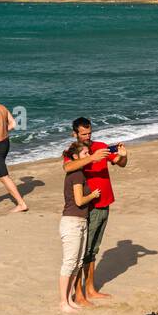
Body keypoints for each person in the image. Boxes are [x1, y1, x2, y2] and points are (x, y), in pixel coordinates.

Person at [62, 118, 128, 304]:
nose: (87, 137)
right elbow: (67, 167)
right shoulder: (73, 152)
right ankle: (79, 293)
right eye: (83, 134)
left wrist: (123, 155)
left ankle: (90, 289)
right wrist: (92, 157)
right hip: (86, 207)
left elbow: (120, 163)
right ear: (74, 134)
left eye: (89, 133)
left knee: (93, 250)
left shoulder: (100, 146)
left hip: (105, 204)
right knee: (83, 251)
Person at [58, 141, 99, 313]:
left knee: (78, 262)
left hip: (80, 221)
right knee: (69, 263)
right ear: (75, 156)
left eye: (89, 153)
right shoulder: (76, 174)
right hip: (72, 222)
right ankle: (63, 302)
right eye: (85, 154)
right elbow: (79, 200)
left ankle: (69, 299)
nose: (88, 156)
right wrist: (93, 195)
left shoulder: (80, 173)